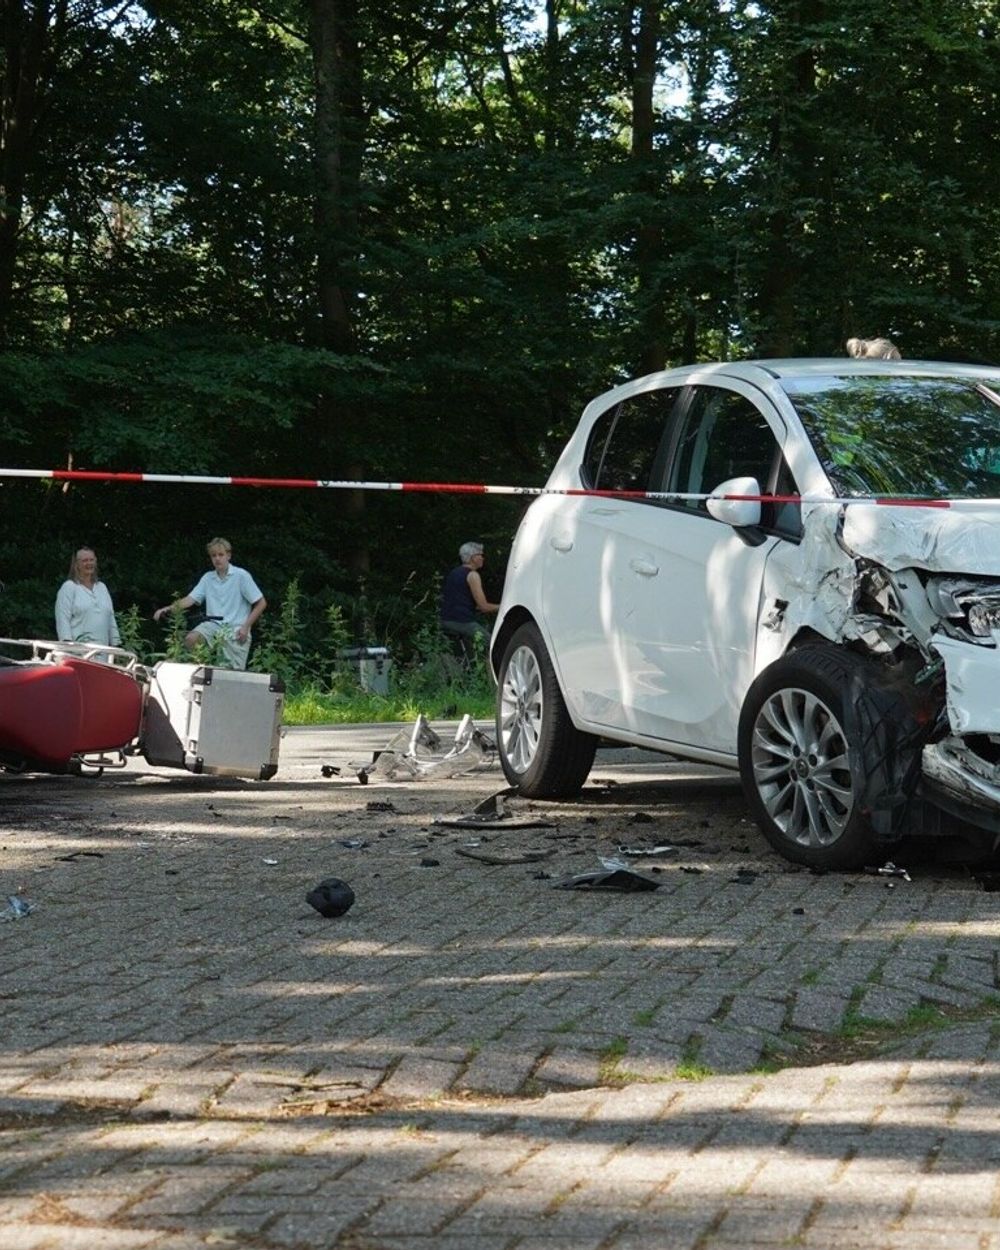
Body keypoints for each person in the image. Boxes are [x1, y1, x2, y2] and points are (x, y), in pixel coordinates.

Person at [153, 537, 266, 670]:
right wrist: (167, 609)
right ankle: (198, 668)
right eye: (213, 555)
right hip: (214, 626)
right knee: (191, 639)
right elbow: (190, 599)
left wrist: (246, 626)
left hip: (235, 629)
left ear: (228, 555)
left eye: (221, 554)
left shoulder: (241, 576)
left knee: (230, 676)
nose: (217, 559)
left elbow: (261, 603)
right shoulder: (208, 578)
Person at [440, 541, 499, 655]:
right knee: (494, 646)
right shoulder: (473, 575)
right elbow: (484, 607)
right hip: (461, 621)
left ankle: (467, 668)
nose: (483, 558)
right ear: (472, 558)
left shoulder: (454, 573)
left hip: (446, 619)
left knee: (469, 652)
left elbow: (459, 599)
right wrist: (504, 607)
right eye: (480, 555)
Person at [55, 546, 121, 646]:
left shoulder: (102, 587)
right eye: (85, 560)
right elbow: (62, 619)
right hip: (79, 650)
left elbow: (110, 617)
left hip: (103, 650)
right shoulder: (69, 587)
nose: (89, 563)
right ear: (76, 564)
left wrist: (116, 643)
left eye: (91, 560)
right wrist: (67, 645)